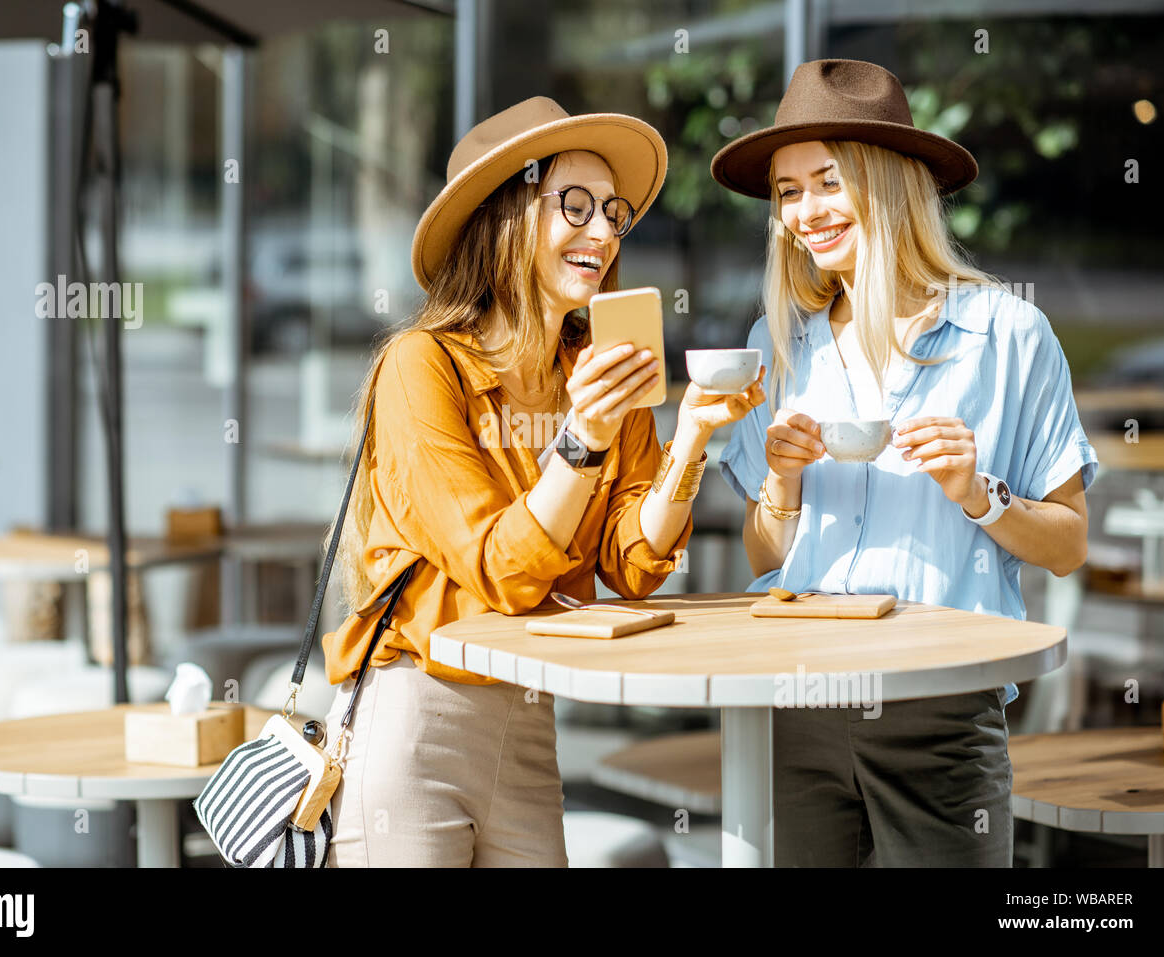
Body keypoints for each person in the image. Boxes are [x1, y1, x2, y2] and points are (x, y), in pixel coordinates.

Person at [319, 96, 766, 867]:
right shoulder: (422, 368)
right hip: (417, 718)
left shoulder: (594, 371)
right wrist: (582, 440)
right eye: (576, 205)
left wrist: (690, 435)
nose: (602, 231)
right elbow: (501, 567)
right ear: (505, 217)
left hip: (530, 726)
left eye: (612, 212)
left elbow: (632, 563)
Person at [712, 59, 1097, 866]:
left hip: (940, 705)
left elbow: (1067, 546)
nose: (805, 212)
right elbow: (766, 556)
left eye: (827, 181)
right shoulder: (775, 346)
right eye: (788, 192)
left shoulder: (1008, 335)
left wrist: (979, 493)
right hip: (794, 694)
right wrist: (781, 480)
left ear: (887, 182)